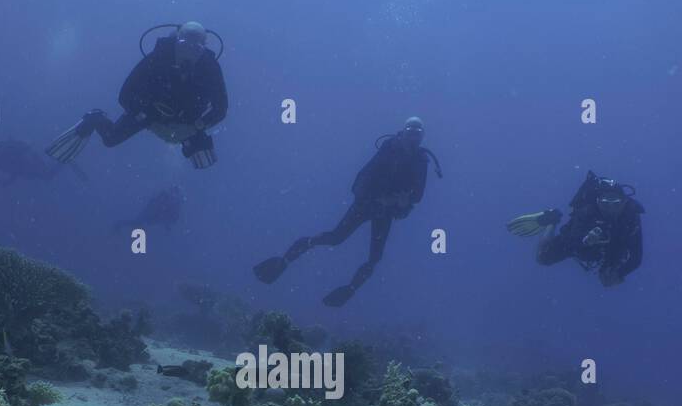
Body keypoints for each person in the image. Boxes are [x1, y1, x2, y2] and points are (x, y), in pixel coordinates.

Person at [253, 116, 442, 307]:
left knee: (375, 258)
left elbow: (417, 195)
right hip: (367, 205)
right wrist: (375, 200)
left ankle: (350, 289)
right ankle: (285, 260)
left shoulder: (420, 161)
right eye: (411, 133)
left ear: (423, 137)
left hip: (386, 212)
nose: (414, 139)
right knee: (336, 238)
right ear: (403, 133)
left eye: (418, 135)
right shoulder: (389, 150)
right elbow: (364, 178)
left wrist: (401, 203)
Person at [46, 22, 227, 171]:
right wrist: (149, 118)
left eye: (195, 48)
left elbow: (221, 108)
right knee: (110, 139)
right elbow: (125, 95)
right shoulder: (158, 58)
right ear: (176, 42)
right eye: (184, 45)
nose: (189, 52)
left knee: (205, 163)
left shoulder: (210, 68)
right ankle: (95, 119)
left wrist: (197, 125)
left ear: (203, 49)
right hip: (149, 114)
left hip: (187, 122)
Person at [507, 171, 643, 287]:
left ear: (624, 202)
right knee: (542, 258)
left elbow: (636, 256)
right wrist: (585, 240)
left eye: (616, 204)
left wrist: (620, 274)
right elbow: (571, 239)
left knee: (608, 276)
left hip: (612, 247)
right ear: (597, 202)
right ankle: (552, 220)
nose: (610, 210)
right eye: (605, 204)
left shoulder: (631, 217)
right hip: (578, 244)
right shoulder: (587, 212)